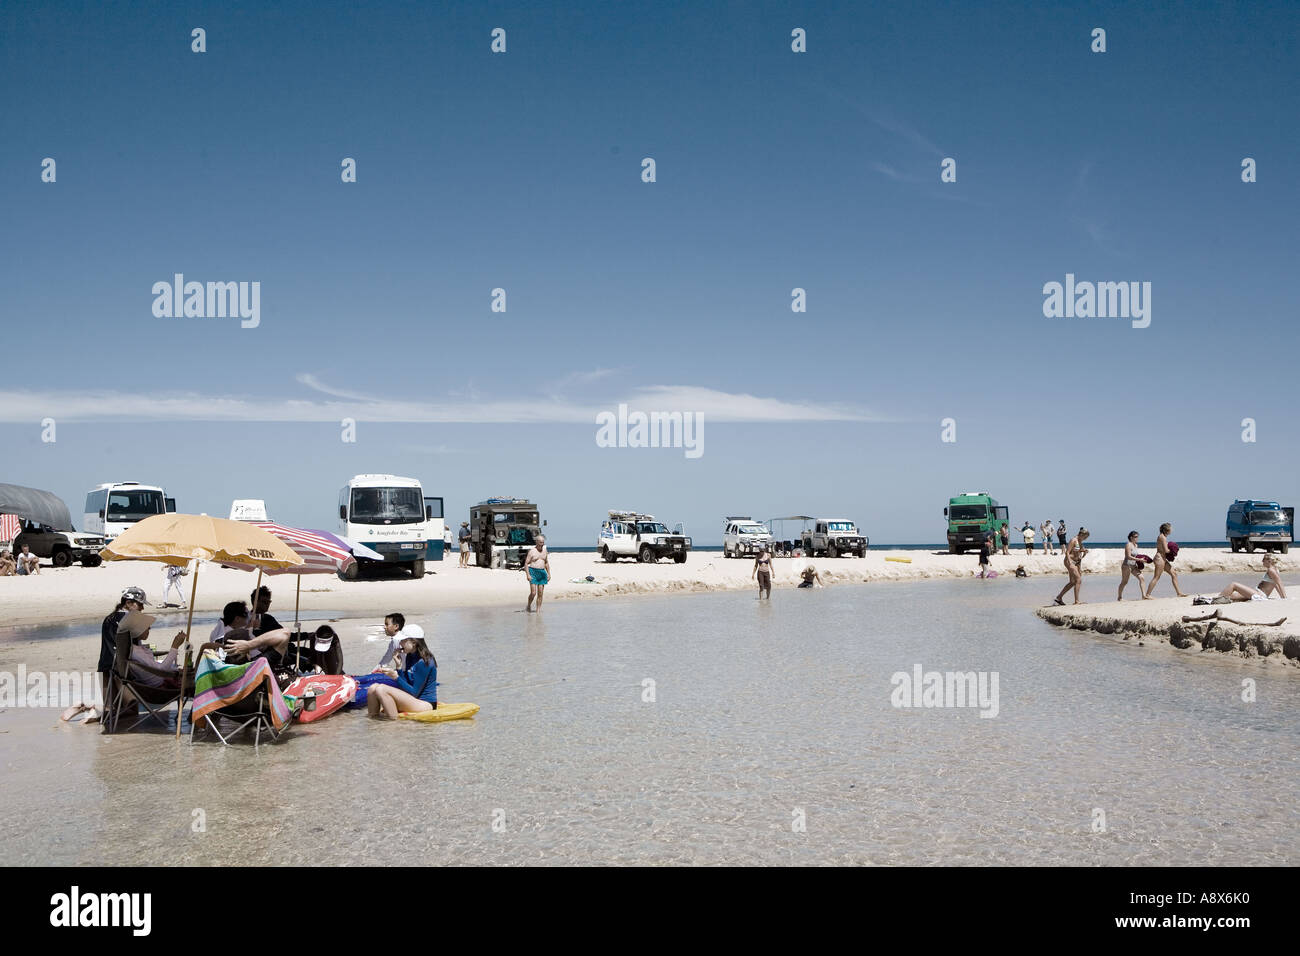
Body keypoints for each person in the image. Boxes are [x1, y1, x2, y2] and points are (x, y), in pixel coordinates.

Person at [368, 634, 438, 718]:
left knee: (381, 689)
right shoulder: (410, 656)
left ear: (414, 642)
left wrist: (396, 677)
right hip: (413, 700)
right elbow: (406, 686)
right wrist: (399, 667)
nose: (400, 643)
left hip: (425, 704)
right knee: (373, 688)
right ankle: (372, 722)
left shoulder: (424, 661)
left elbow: (414, 693)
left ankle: (394, 724)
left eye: (403, 641)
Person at [208, 600, 292, 668]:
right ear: (237, 618)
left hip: (241, 665)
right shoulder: (237, 634)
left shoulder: (218, 632)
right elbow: (285, 633)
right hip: (253, 666)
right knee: (285, 642)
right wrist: (248, 644)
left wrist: (250, 630)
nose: (249, 616)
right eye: (246, 614)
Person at [1145, 523, 1186, 598]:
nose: (1171, 530)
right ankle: (1147, 595)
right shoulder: (1162, 537)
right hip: (1159, 559)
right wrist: (1173, 550)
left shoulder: (1163, 536)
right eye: (1171, 529)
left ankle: (1179, 593)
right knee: (1156, 577)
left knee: (1174, 574)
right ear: (1167, 530)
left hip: (1163, 558)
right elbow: (1166, 550)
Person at [1053, 528, 1090, 605]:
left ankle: (1059, 597)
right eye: (1085, 537)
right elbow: (1067, 552)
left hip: (1076, 562)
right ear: (1081, 534)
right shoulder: (1073, 540)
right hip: (1069, 561)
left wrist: (1084, 552)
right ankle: (1077, 601)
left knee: (1073, 582)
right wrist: (1070, 562)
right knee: (1078, 580)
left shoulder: (1080, 542)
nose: (1085, 539)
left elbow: (1079, 554)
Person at [1118, 531, 1150, 600]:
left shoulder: (1136, 545)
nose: (1137, 538)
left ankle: (1144, 596)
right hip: (1127, 566)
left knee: (1142, 578)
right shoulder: (1128, 545)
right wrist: (1139, 559)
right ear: (1131, 537)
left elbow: (1135, 555)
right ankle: (1119, 597)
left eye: (1137, 537)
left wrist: (1141, 560)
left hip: (1133, 566)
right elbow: (1128, 556)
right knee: (1124, 582)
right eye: (1135, 537)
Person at [525, 534, 551, 611]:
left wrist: (549, 574)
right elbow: (526, 563)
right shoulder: (532, 551)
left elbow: (546, 562)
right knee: (533, 593)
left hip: (542, 572)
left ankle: (538, 611)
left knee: (540, 593)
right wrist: (528, 575)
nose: (542, 544)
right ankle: (529, 605)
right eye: (540, 542)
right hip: (533, 571)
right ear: (536, 542)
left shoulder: (545, 551)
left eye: (543, 542)